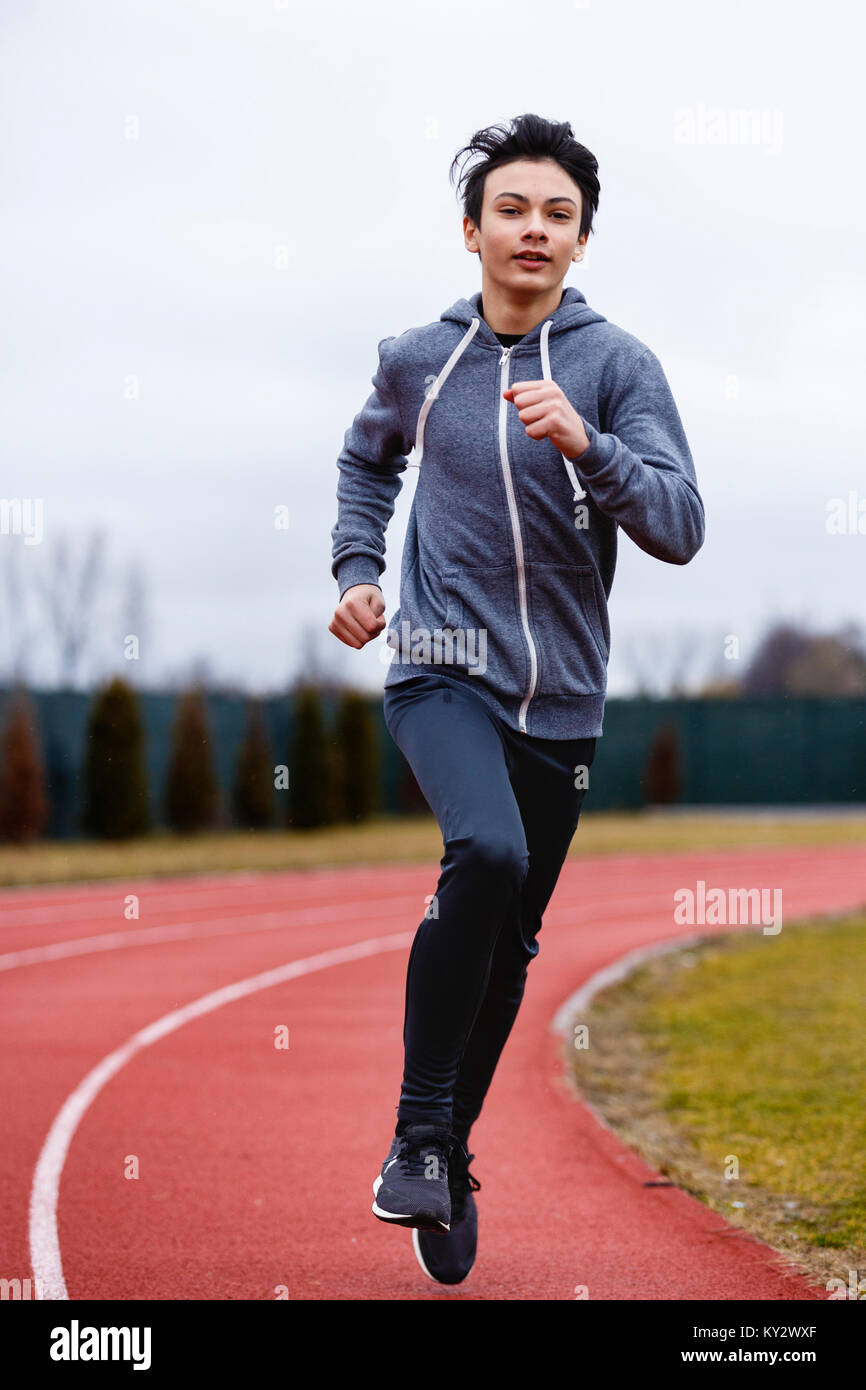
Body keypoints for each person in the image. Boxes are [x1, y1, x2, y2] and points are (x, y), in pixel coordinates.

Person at [328, 113, 705, 1285]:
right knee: (481, 854)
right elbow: (363, 460)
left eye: (556, 214)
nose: (532, 229)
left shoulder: (615, 367)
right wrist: (355, 570)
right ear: (471, 229)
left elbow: (680, 526)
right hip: (438, 663)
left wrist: (590, 448)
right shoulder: (415, 356)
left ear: (581, 241)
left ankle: (441, 1148)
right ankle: (417, 1135)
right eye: (511, 209)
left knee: (513, 941)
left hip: (565, 705)